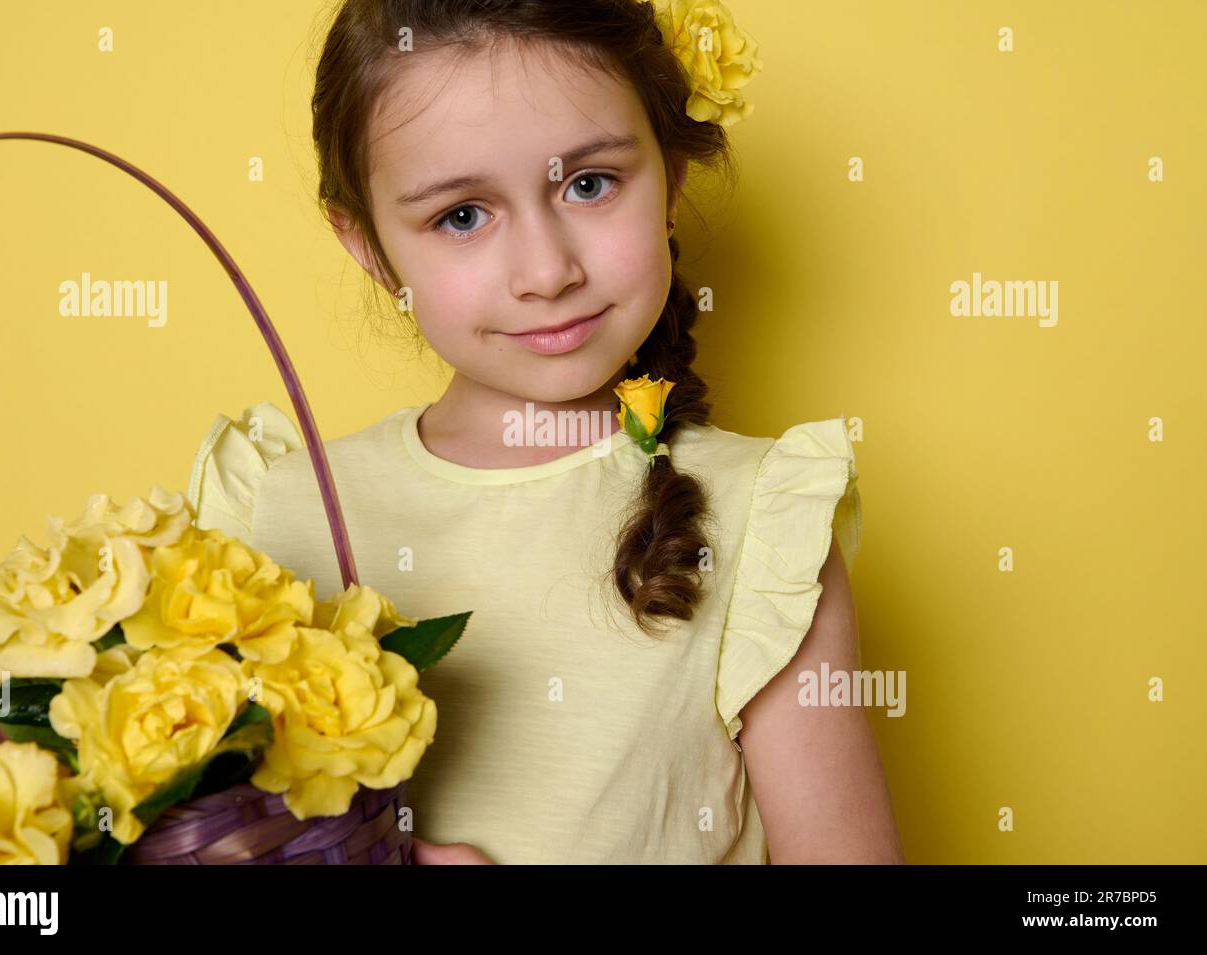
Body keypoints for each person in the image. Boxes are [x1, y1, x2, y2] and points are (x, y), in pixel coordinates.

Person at [188, 0, 903, 864]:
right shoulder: (268, 520)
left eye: (589, 184)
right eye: (462, 215)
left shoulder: (764, 524)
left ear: (673, 176)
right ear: (370, 246)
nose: (547, 271)